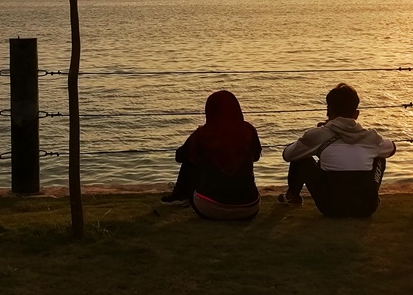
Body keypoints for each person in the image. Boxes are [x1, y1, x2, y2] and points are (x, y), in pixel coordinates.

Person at [278, 83, 395, 217]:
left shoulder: (318, 134)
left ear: (328, 111)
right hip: (366, 208)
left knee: (301, 158)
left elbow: (288, 155)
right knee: (379, 156)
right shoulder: (371, 137)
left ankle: (292, 197)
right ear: (356, 114)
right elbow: (391, 149)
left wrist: (311, 141)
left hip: (330, 208)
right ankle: (371, 195)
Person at [160, 90, 262, 220]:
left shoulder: (202, 135)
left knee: (190, 157)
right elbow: (256, 156)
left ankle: (180, 196)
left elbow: (179, 157)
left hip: (210, 208)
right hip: (250, 208)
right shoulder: (249, 131)